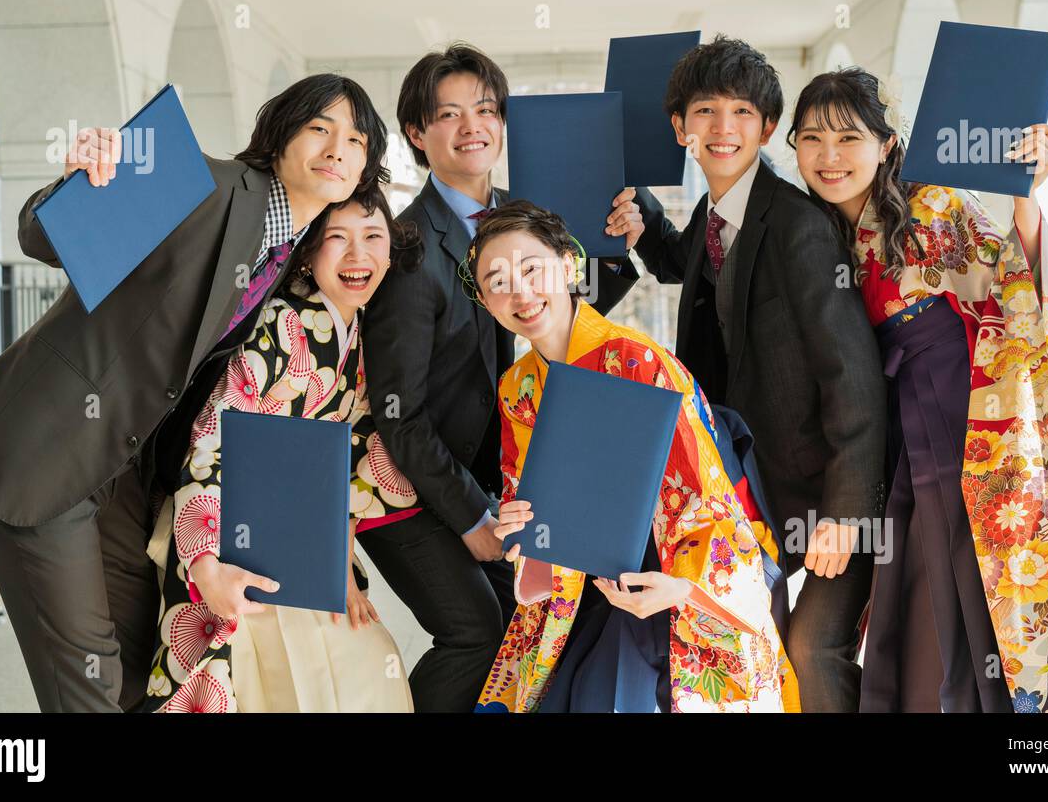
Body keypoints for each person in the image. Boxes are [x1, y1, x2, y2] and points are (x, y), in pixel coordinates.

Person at [0, 73, 388, 711]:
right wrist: (83, 178)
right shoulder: (203, 183)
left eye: (357, 139)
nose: (338, 147)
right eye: (320, 128)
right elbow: (42, 235)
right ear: (280, 135)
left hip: (126, 477)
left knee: (145, 667)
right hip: (45, 453)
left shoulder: (294, 255)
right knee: (86, 687)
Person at [790, 65, 1048, 713]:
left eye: (849, 137)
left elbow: (1016, 279)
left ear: (887, 144)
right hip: (905, 446)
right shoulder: (815, 236)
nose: (830, 156)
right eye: (812, 138)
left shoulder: (932, 207)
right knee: (930, 632)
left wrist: (1026, 197)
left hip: (986, 428)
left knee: (1007, 609)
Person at [359, 43, 645, 711]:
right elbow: (398, 412)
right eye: (449, 114)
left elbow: (564, 307)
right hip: (411, 485)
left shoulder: (523, 213)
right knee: (479, 635)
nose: (472, 127)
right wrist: (469, 517)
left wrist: (620, 244)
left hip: (502, 476)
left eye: (485, 110)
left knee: (533, 629)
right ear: (414, 134)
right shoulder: (405, 249)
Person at [632, 36, 886, 711]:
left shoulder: (797, 225)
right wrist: (645, 222)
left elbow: (851, 372)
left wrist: (846, 513)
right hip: (748, 493)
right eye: (706, 111)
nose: (724, 129)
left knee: (813, 648)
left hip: (822, 492)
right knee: (749, 643)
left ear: (768, 128)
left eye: (743, 112)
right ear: (680, 127)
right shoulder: (714, 216)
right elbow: (692, 265)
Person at [468, 200, 799, 712]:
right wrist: (520, 533)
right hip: (579, 587)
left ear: (567, 265)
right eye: (498, 281)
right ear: (486, 302)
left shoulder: (637, 361)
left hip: (668, 570)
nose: (521, 292)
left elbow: (706, 495)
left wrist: (680, 589)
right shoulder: (517, 388)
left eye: (532, 269)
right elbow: (530, 511)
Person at [142, 186, 420, 712]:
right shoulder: (278, 323)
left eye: (373, 237)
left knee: (361, 664)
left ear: (391, 250)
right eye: (337, 238)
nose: (357, 255)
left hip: (305, 542)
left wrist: (339, 572)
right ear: (310, 251)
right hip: (225, 528)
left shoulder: (360, 329)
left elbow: (353, 456)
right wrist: (206, 569)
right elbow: (210, 437)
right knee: (255, 682)